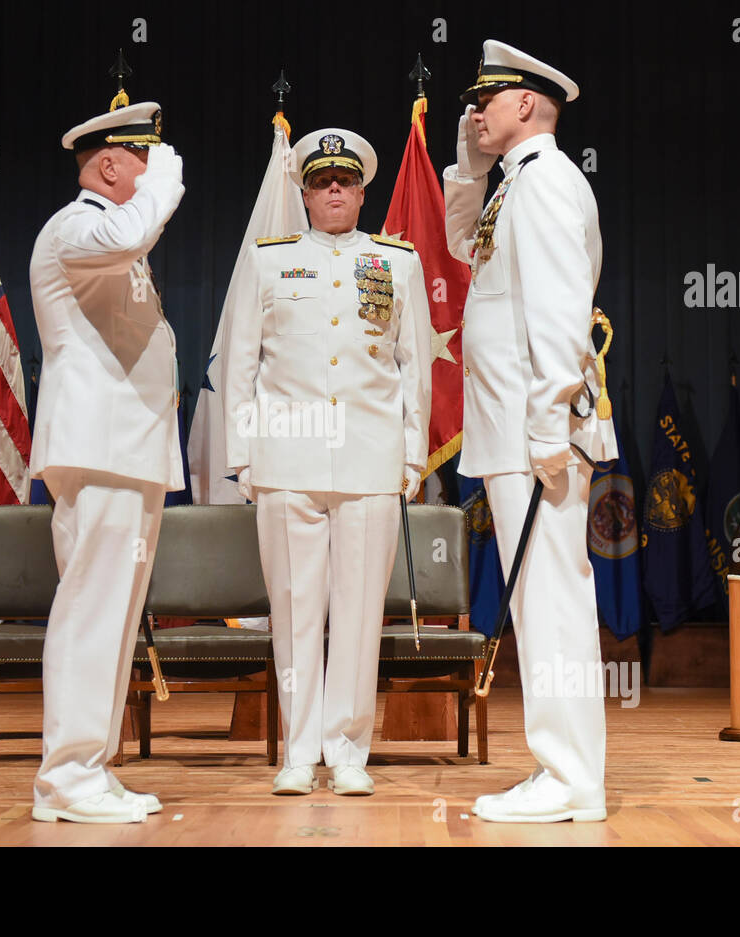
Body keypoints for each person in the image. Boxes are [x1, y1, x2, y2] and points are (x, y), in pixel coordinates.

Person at [223, 128, 431, 796]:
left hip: (370, 457)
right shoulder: (267, 259)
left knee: (361, 613)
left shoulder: (396, 262)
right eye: (320, 181)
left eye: (344, 180)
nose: (333, 190)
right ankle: (297, 749)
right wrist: (242, 454)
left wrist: (413, 453)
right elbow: (239, 362)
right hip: (286, 455)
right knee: (294, 610)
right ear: (305, 192)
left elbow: (414, 366)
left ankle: (346, 749)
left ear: (363, 191)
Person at [443, 41, 618, 822]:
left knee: (550, 600)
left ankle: (572, 777)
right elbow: (460, 249)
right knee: (541, 600)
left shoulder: (544, 183)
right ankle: (564, 771)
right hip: (517, 429)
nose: (474, 111)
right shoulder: (513, 185)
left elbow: (558, 317)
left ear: (524, 105)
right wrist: (464, 167)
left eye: (485, 100)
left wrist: (549, 428)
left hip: (535, 433)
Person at [28, 99, 185, 823]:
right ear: (114, 163)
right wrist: (166, 183)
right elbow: (131, 230)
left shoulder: (110, 238)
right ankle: (65, 777)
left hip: (127, 450)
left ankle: (89, 765)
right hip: (100, 447)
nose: (158, 172)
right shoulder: (78, 226)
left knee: (113, 616)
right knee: (92, 610)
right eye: (147, 158)